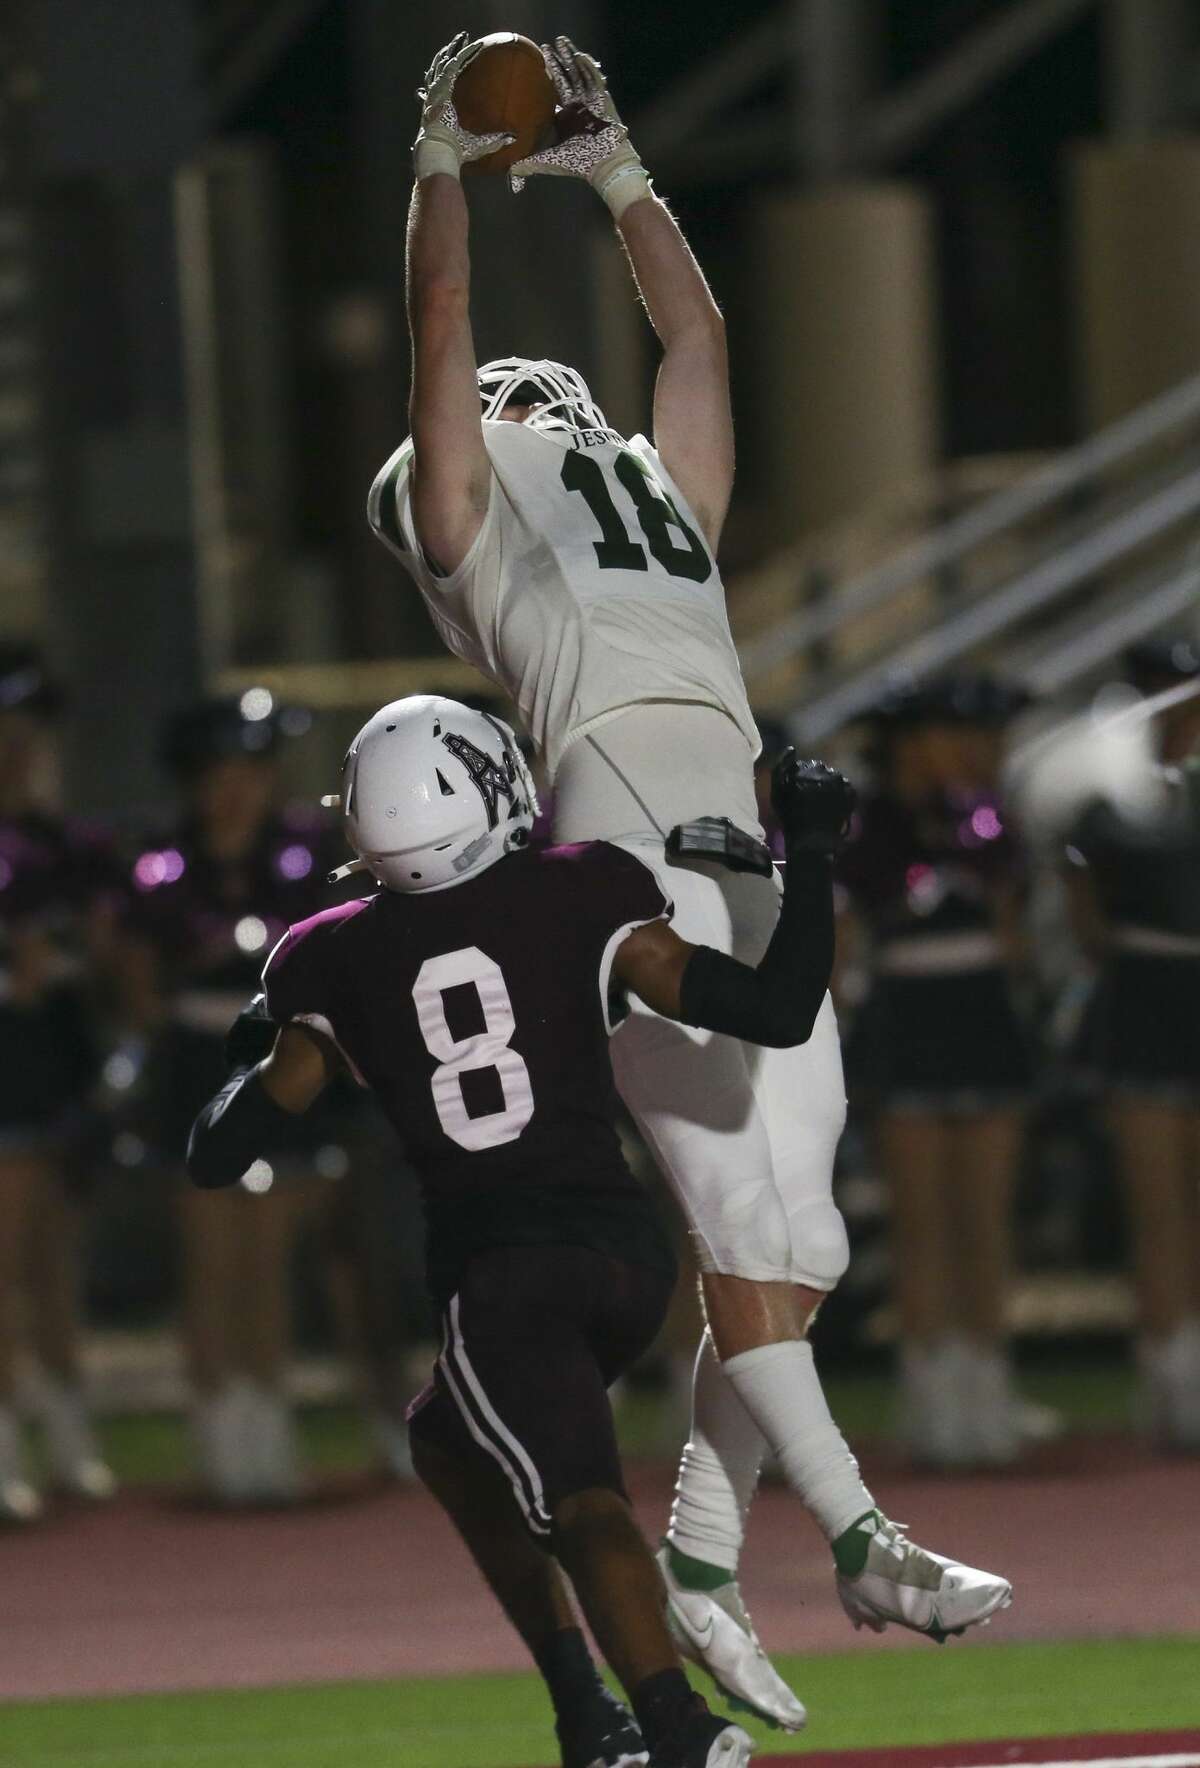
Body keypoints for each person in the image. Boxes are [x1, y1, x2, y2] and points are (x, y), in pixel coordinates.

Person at [367, 31, 1011, 1730]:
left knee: (809, 1240)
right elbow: (443, 321)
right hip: (624, 843)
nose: (531, 391)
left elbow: (701, 339)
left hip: (745, 832)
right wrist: (438, 161)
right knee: (738, 1225)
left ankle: (708, 1559)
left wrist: (622, 171)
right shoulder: (473, 516)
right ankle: (863, 1537)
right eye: (503, 399)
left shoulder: (651, 497)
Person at [188, 696, 857, 1768]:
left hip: (503, 1273)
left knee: (580, 1503)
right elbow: (778, 1009)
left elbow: (218, 1154)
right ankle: (585, 1715)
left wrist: (252, 1056)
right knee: (449, 1443)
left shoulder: (330, 956)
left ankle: (678, 1730)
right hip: (624, 1253)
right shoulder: (585, 887)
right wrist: (812, 852)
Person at [121, 693, 347, 1504]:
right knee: (212, 1262)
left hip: (281, 1060)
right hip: (197, 1064)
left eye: (252, 772)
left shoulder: (302, 855)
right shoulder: (164, 863)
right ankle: (219, 1432)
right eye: (221, 773)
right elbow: (137, 985)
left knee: (268, 1263)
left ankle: (268, 1426)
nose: (238, 790)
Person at [838, 677, 1037, 1467]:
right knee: (921, 1221)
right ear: (905, 746)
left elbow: (1013, 927)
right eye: (943, 735)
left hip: (981, 1010)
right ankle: (929, 1393)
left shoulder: (988, 817)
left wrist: (976, 826)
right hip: (907, 1013)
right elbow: (865, 910)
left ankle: (988, 1385)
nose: (962, 749)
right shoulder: (868, 821)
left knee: (984, 1218)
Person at [1065, 639, 1200, 1449]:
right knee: (1158, 1209)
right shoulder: (1110, 802)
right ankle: (1170, 1379)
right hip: (1146, 995)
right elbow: (1085, 911)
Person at [0, 644, 119, 1520]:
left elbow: (102, 955)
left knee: (52, 1263)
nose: (16, 750)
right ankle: (7, 1445)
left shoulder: (67, 845)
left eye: (27, 733)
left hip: (59, 1067)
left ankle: (70, 1433)